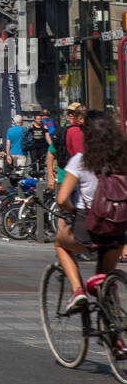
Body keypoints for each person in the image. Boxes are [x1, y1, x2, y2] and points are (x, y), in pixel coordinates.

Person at [54, 110, 127, 314]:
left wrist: (72, 210)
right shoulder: (121, 160)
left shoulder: (81, 160)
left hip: (89, 228)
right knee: (105, 281)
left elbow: (62, 199)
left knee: (60, 243)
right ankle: (116, 337)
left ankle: (77, 291)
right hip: (116, 231)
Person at [21, 112, 50, 176]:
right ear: (35, 120)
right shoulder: (31, 127)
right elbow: (26, 136)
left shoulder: (44, 127)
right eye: (38, 119)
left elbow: (47, 137)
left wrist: (51, 145)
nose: (39, 120)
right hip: (33, 147)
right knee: (33, 161)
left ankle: (41, 175)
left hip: (42, 146)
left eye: (40, 119)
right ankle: (34, 174)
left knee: (41, 161)